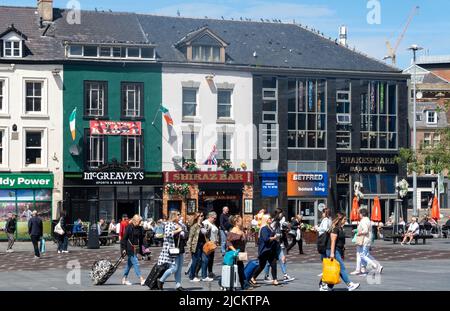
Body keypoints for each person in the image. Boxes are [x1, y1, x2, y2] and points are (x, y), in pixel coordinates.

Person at [322, 212, 360, 291]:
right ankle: (349, 284)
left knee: (336, 269)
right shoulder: (335, 228)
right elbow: (333, 241)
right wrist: (332, 253)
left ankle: (327, 286)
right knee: (341, 268)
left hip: (337, 250)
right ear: (340, 219)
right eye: (344, 219)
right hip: (333, 250)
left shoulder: (340, 228)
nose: (346, 220)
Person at [156, 211, 188, 291]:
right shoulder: (169, 224)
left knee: (179, 269)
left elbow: (186, 233)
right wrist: (178, 230)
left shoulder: (180, 224)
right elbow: (166, 234)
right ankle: (161, 280)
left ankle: (178, 285)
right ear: (173, 216)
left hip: (180, 247)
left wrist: (183, 232)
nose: (179, 216)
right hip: (172, 248)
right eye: (178, 215)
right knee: (174, 268)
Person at [263, 208, 294, 282]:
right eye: (281, 214)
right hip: (274, 244)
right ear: (278, 214)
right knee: (269, 261)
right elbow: (271, 232)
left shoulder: (278, 222)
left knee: (282, 258)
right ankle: (266, 276)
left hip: (278, 244)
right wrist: (278, 235)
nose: (282, 215)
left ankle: (285, 275)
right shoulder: (274, 222)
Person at [250, 213, 279, 286]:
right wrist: (274, 238)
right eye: (269, 218)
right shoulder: (264, 228)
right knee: (261, 266)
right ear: (265, 220)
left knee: (274, 264)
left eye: (270, 218)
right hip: (265, 250)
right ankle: (253, 277)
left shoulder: (270, 227)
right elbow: (266, 239)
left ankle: (275, 279)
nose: (271, 219)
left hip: (271, 250)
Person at [352, 208, 382, 275]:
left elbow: (365, 230)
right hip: (368, 239)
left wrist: (359, 233)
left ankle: (376, 266)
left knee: (363, 255)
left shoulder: (363, 221)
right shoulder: (368, 220)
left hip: (364, 239)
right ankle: (361, 269)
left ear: (362, 214)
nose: (359, 215)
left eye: (359, 213)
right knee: (363, 254)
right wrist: (357, 230)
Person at [121, 214, 146, 286]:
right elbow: (124, 239)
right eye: (139, 221)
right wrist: (123, 249)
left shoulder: (140, 228)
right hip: (129, 248)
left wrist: (145, 249)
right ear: (135, 221)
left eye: (141, 221)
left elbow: (142, 239)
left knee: (129, 264)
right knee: (135, 262)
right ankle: (141, 278)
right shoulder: (129, 227)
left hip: (136, 248)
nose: (140, 222)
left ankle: (124, 278)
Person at [187, 213, 212, 282]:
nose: (202, 217)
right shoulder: (194, 226)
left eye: (203, 215)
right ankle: (191, 277)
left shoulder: (203, 225)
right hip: (196, 245)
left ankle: (204, 276)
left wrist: (208, 231)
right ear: (197, 217)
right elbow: (190, 237)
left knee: (205, 260)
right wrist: (189, 248)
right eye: (201, 216)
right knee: (195, 260)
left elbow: (207, 236)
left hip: (203, 245)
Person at [226, 215, 250, 290]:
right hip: (235, 254)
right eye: (241, 220)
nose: (242, 221)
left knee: (240, 269)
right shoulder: (234, 230)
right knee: (235, 269)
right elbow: (228, 242)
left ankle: (244, 285)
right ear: (236, 222)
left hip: (240, 253)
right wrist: (234, 250)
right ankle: (241, 285)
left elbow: (244, 240)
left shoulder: (240, 230)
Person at [203, 211, 219, 278]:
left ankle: (210, 272)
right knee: (206, 259)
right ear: (210, 217)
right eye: (214, 218)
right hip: (208, 244)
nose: (215, 219)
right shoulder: (205, 223)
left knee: (211, 259)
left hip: (213, 244)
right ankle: (200, 273)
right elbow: (204, 234)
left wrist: (216, 240)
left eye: (215, 218)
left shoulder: (213, 223)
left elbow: (215, 233)